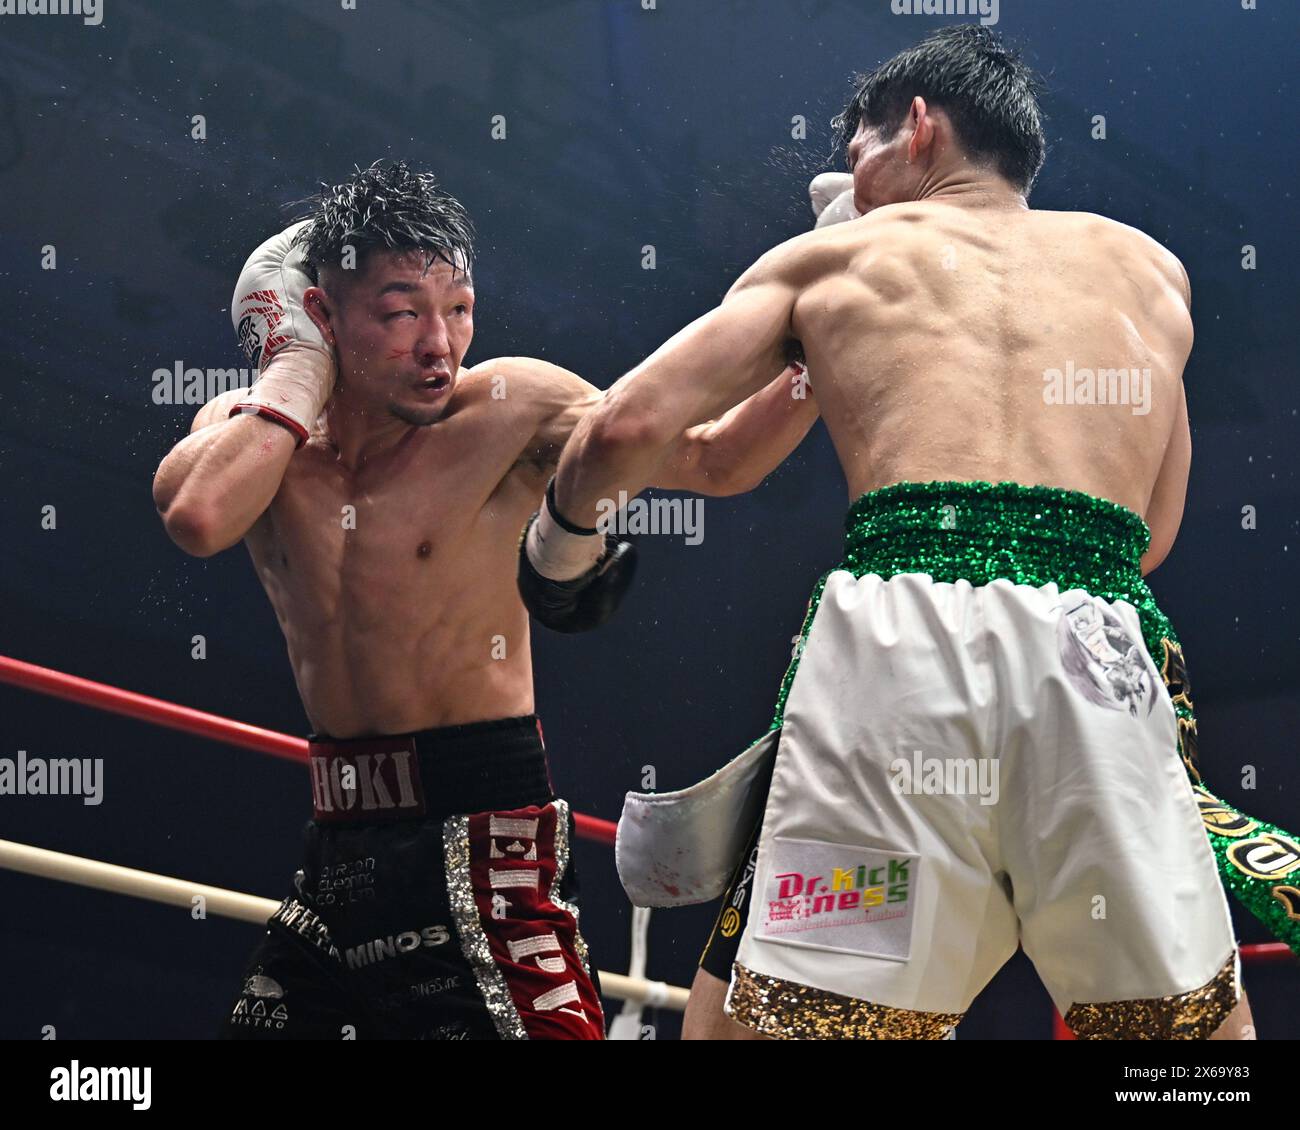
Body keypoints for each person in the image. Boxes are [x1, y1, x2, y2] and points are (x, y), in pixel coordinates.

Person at [518, 26, 1290, 1039]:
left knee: (788, 1025)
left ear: (916, 126)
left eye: (855, 158)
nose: (851, 185)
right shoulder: (1149, 272)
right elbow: (1150, 533)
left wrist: (559, 549)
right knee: (1179, 1039)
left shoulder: (836, 254)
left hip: (902, 664)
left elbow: (627, 426)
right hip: (1101, 661)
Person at [152, 160, 818, 1039]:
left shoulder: (512, 410)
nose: (441, 344)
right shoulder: (253, 439)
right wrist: (292, 377)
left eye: (458, 309)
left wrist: (822, 328)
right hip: (334, 849)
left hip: (482, 830)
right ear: (322, 316)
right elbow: (199, 517)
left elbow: (719, 459)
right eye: (401, 314)